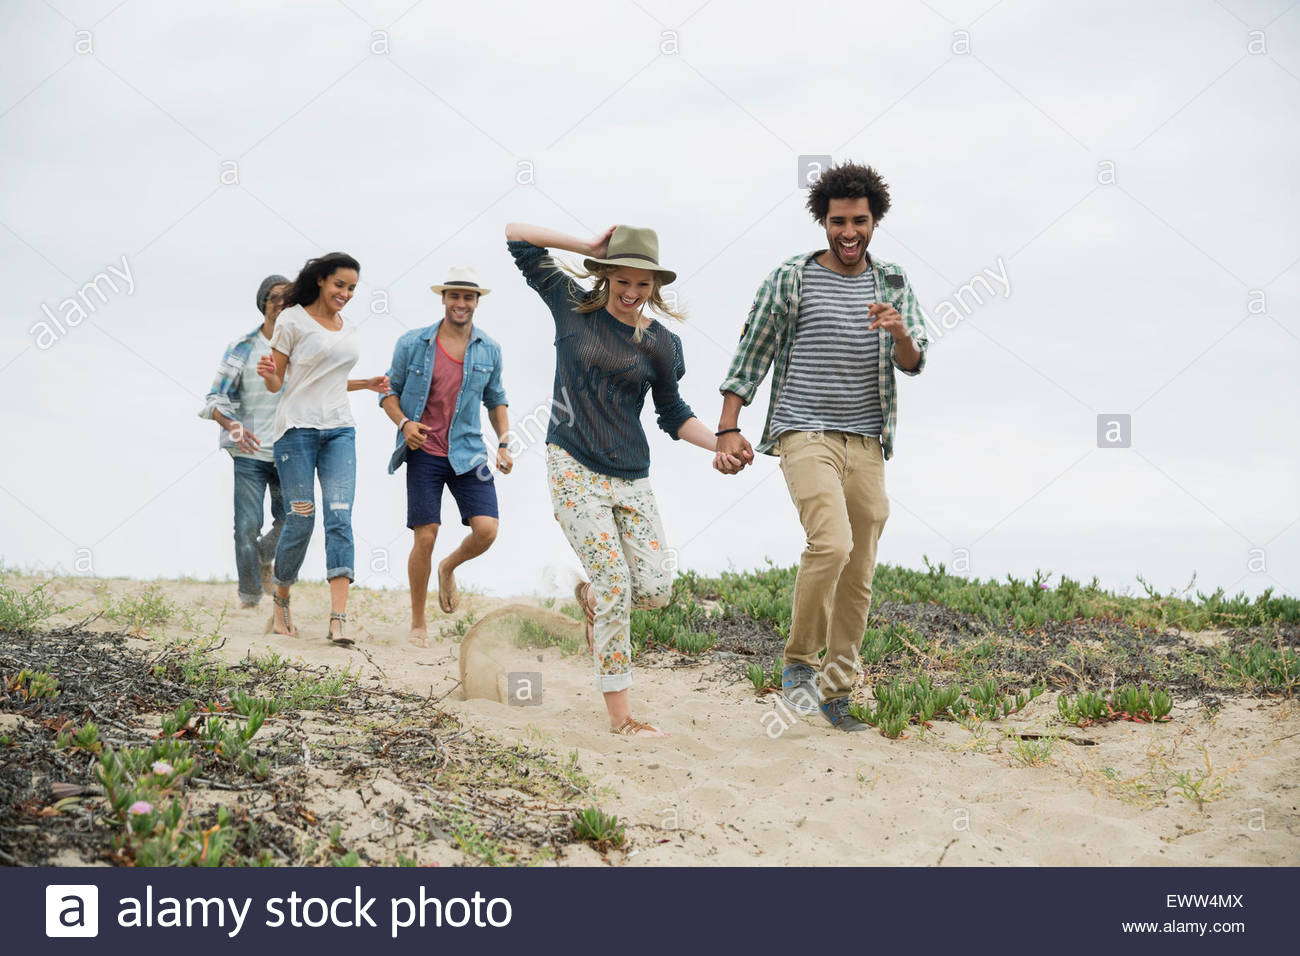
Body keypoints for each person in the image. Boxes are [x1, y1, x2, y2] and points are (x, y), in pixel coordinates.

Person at [505, 221, 749, 737]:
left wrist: (722, 442)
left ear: (655, 287)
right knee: (616, 581)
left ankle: (592, 601)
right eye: (624, 280)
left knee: (657, 590)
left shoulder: (661, 344)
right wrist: (588, 246)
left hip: (631, 474)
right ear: (607, 275)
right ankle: (622, 717)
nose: (633, 293)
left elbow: (673, 413)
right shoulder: (568, 302)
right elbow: (516, 236)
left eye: (644, 284)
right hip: (571, 463)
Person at [714, 161, 929, 732]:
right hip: (803, 431)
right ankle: (799, 664)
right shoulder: (792, 278)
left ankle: (837, 692)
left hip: (867, 441)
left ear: (875, 221)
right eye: (838, 221)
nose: (849, 231)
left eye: (859, 220)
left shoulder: (895, 284)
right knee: (830, 544)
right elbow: (752, 354)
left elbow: (914, 363)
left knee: (859, 568)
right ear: (824, 223)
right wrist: (727, 428)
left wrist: (900, 332)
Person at [255, 252, 390, 645]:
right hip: (296, 430)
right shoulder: (292, 319)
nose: (345, 294)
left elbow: (327, 379)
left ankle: (338, 619)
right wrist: (268, 375)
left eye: (351, 288)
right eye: (339, 285)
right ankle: (281, 599)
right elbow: (280, 382)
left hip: (339, 431)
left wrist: (364, 383)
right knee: (302, 516)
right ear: (320, 281)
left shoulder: (346, 327)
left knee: (339, 516)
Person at [380, 266, 512, 647]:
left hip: (470, 453)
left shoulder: (490, 349)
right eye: (454, 296)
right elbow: (387, 393)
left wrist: (503, 442)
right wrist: (405, 423)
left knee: (487, 530)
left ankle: (448, 567)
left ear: (476, 302)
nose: (460, 303)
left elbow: (496, 399)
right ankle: (418, 623)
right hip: (424, 450)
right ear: (443, 299)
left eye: (468, 297)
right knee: (426, 536)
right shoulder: (412, 343)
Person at [199, 274, 290, 609]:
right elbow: (214, 398)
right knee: (246, 527)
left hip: (290, 448)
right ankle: (250, 598)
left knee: (293, 519)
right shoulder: (244, 347)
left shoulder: (301, 346)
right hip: (249, 450)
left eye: (289, 298)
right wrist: (232, 426)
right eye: (275, 297)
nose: (282, 303)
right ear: (263, 302)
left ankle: (264, 557)